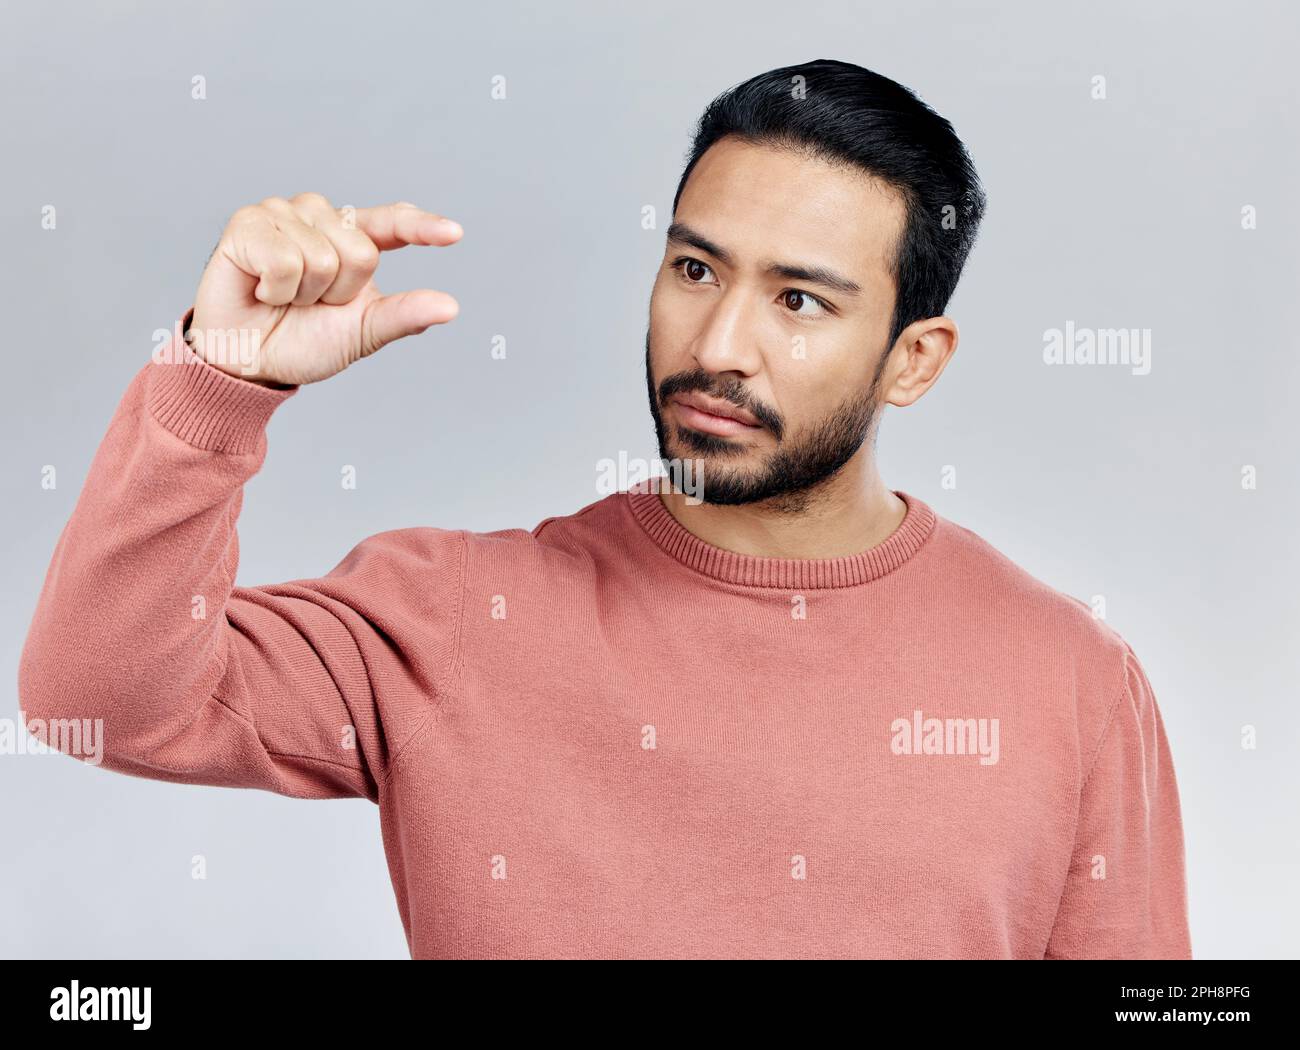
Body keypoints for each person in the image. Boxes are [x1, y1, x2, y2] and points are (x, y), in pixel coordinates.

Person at [19, 58, 1192, 959]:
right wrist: (220, 385)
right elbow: (95, 700)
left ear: (913, 359)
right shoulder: (453, 618)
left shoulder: (1070, 679)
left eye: (798, 300)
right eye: (694, 269)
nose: (719, 345)